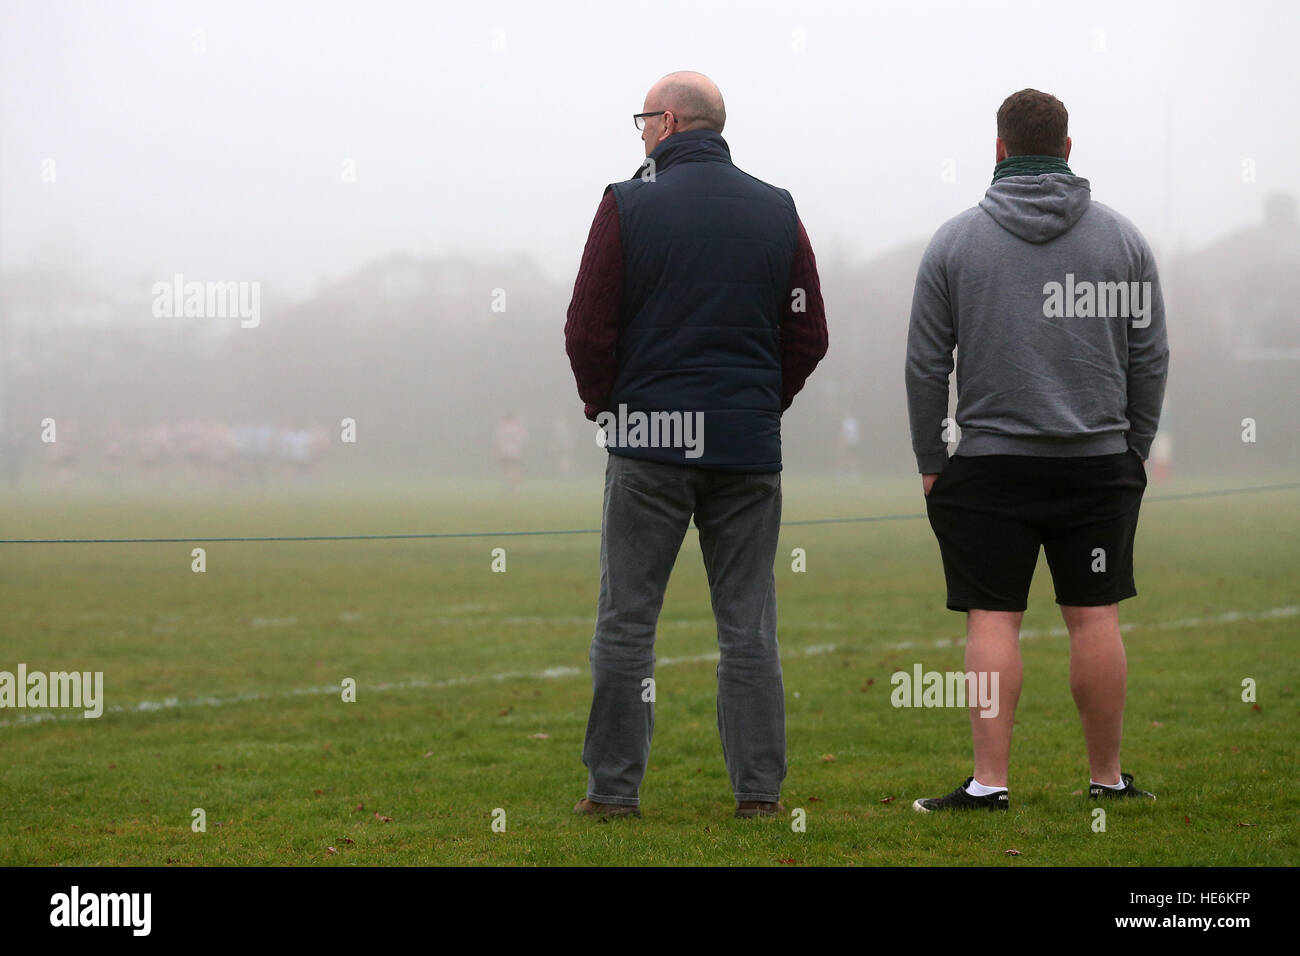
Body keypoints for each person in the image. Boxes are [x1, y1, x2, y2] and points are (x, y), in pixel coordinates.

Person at [565, 70, 828, 819]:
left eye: (645, 118)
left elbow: (587, 328)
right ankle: (758, 795)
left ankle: (613, 794)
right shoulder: (778, 209)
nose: (641, 131)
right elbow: (808, 333)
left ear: (672, 123)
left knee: (626, 624)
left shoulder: (626, 203)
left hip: (648, 443)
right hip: (746, 451)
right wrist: (755, 404)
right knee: (749, 627)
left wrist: (605, 404)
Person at [905, 89, 1169, 812]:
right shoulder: (1123, 241)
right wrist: (1132, 449)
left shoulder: (955, 242)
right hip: (1097, 462)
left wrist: (932, 458)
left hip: (990, 467)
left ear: (998, 149)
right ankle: (1108, 779)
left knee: (993, 620)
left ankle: (990, 783)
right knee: (1096, 616)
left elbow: (926, 364)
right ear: (1068, 150)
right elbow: (1150, 357)